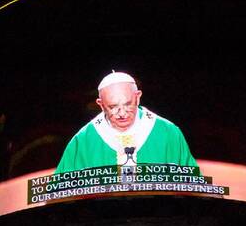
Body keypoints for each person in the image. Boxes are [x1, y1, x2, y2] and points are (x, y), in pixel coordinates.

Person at [54, 72, 197, 175]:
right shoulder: (83, 140)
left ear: (138, 97)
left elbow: (193, 185)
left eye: (128, 104)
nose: (122, 113)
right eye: (113, 106)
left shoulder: (168, 132)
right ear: (101, 104)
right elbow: (59, 193)